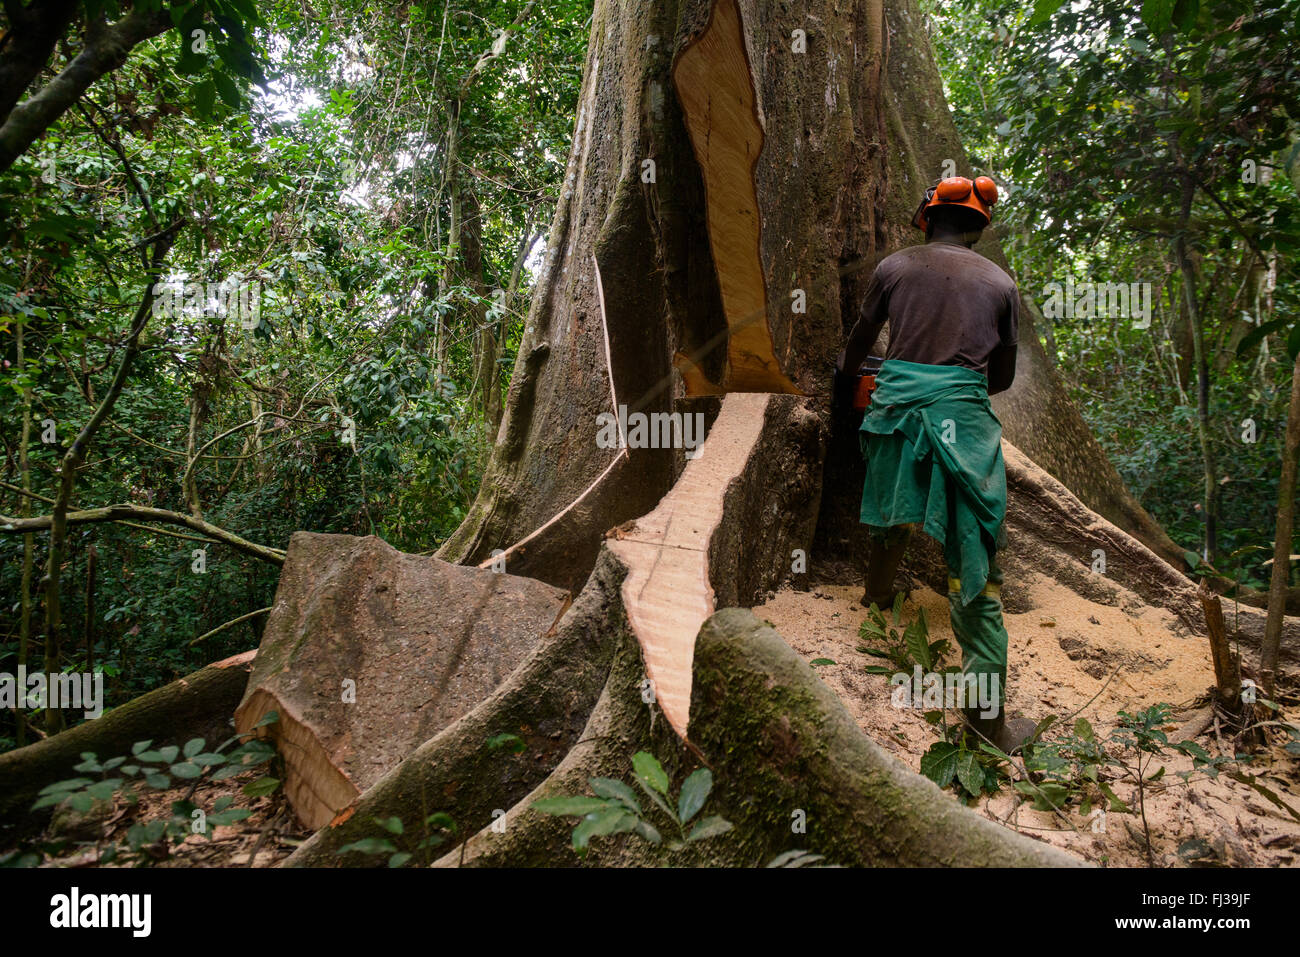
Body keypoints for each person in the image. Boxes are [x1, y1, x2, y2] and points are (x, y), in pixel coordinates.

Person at [838, 175, 1035, 752]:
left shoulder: (894, 267)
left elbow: (860, 340)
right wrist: (952, 385)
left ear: (927, 217)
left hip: (894, 409)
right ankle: (985, 723)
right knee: (972, 553)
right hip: (962, 423)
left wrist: (845, 386)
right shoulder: (1001, 282)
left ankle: (877, 600)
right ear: (978, 228)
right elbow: (1000, 377)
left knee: (890, 513)